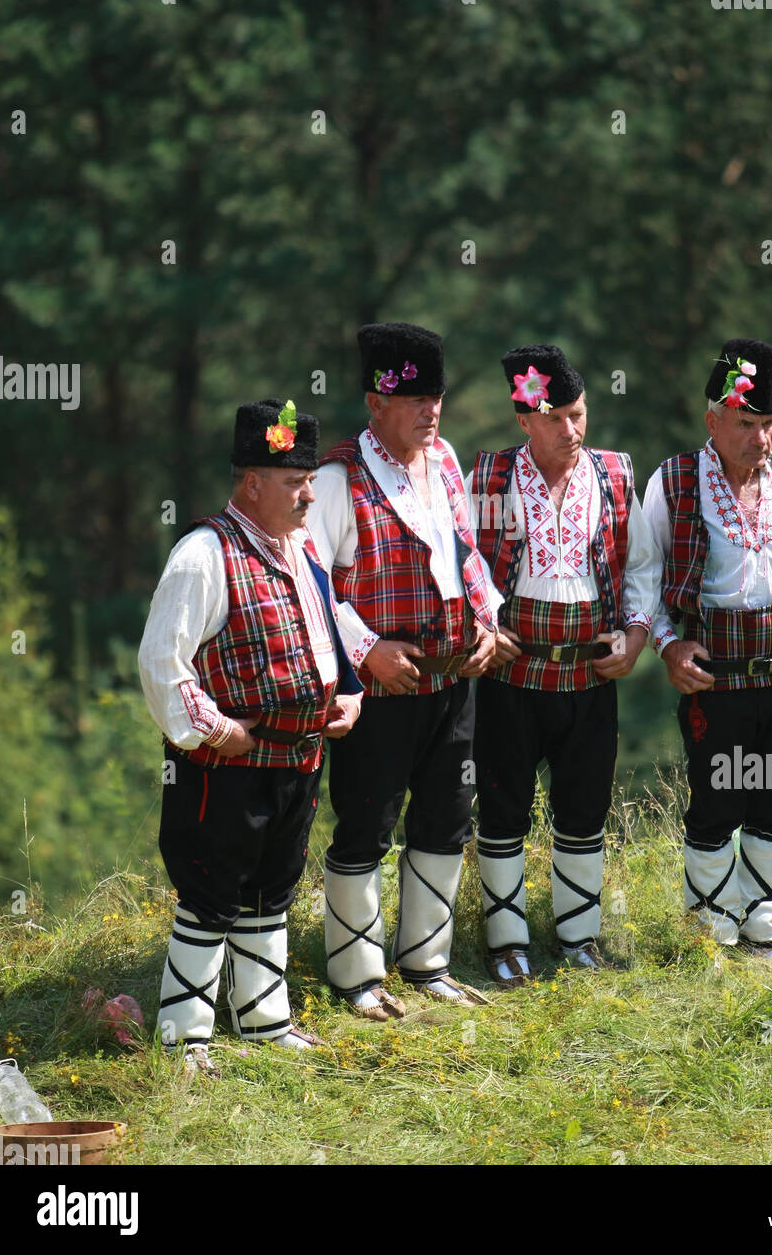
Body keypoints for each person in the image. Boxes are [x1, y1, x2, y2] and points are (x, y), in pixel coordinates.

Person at [139, 398, 363, 1074]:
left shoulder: (302, 551)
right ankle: (183, 1039)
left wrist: (348, 693)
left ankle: (264, 1021)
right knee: (211, 891)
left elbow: (332, 634)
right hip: (223, 766)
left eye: (310, 481)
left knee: (272, 888)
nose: (307, 495)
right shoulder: (203, 554)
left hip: (296, 757)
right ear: (251, 483)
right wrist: (215, 729)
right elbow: (162, 663)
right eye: (294, 483)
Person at [310, 323, 499, 1020]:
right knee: (367, 821)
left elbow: (466, 554)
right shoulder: (336, 479)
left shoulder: (445, 460)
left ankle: (426, 962)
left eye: (437, 396)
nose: (431, 411)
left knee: (447, 817)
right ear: (374, 401)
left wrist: (488, 623)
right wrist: (365, 652)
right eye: (415, 398)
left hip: (452, 679)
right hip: (382, 688)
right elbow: (313, 584)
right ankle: (356, 976)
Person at [642, 339, 772, 967]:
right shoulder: (674, 482)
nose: (759, 438)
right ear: (713, 421)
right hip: (713, 674)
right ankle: (709, 939)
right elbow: (640, 583)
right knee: (716, 801)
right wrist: (669, 646)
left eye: (767, 424)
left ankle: (764, 937)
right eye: (744, 423)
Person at [468, 345, 660, 986]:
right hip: (510, 675)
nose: (571, 431)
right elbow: (463, 561)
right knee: (503, 807)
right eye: (556, 419)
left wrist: (635, 635)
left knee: (583, 808)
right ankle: (505, 941)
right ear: (525, 420)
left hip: (589, 674)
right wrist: (485, 625)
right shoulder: (489, 477)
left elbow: (639, 565)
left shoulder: (613, 473)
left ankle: (579, 937)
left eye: (578, 415)